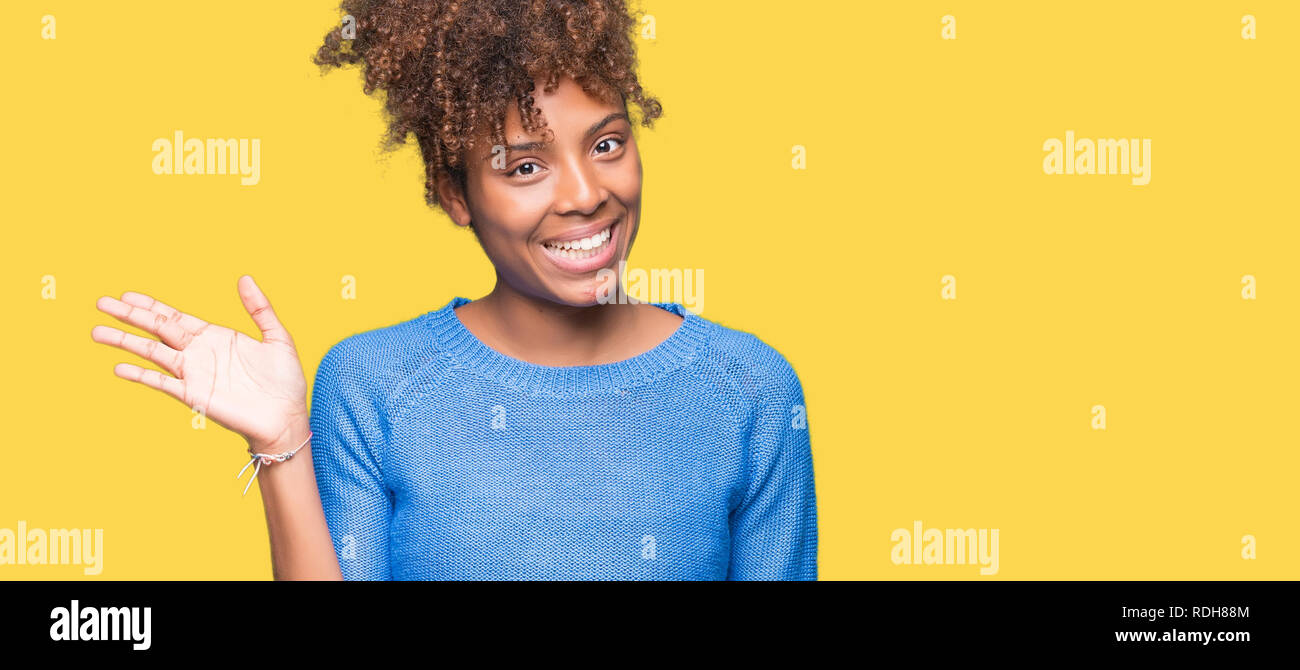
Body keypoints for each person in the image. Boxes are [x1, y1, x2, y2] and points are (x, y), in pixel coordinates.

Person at [91, 0, 817, 580]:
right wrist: (281, 448)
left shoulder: (750, 389)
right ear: (455, 194)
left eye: (606, 144)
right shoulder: (373, 385)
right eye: (525, 168)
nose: (585, 194)